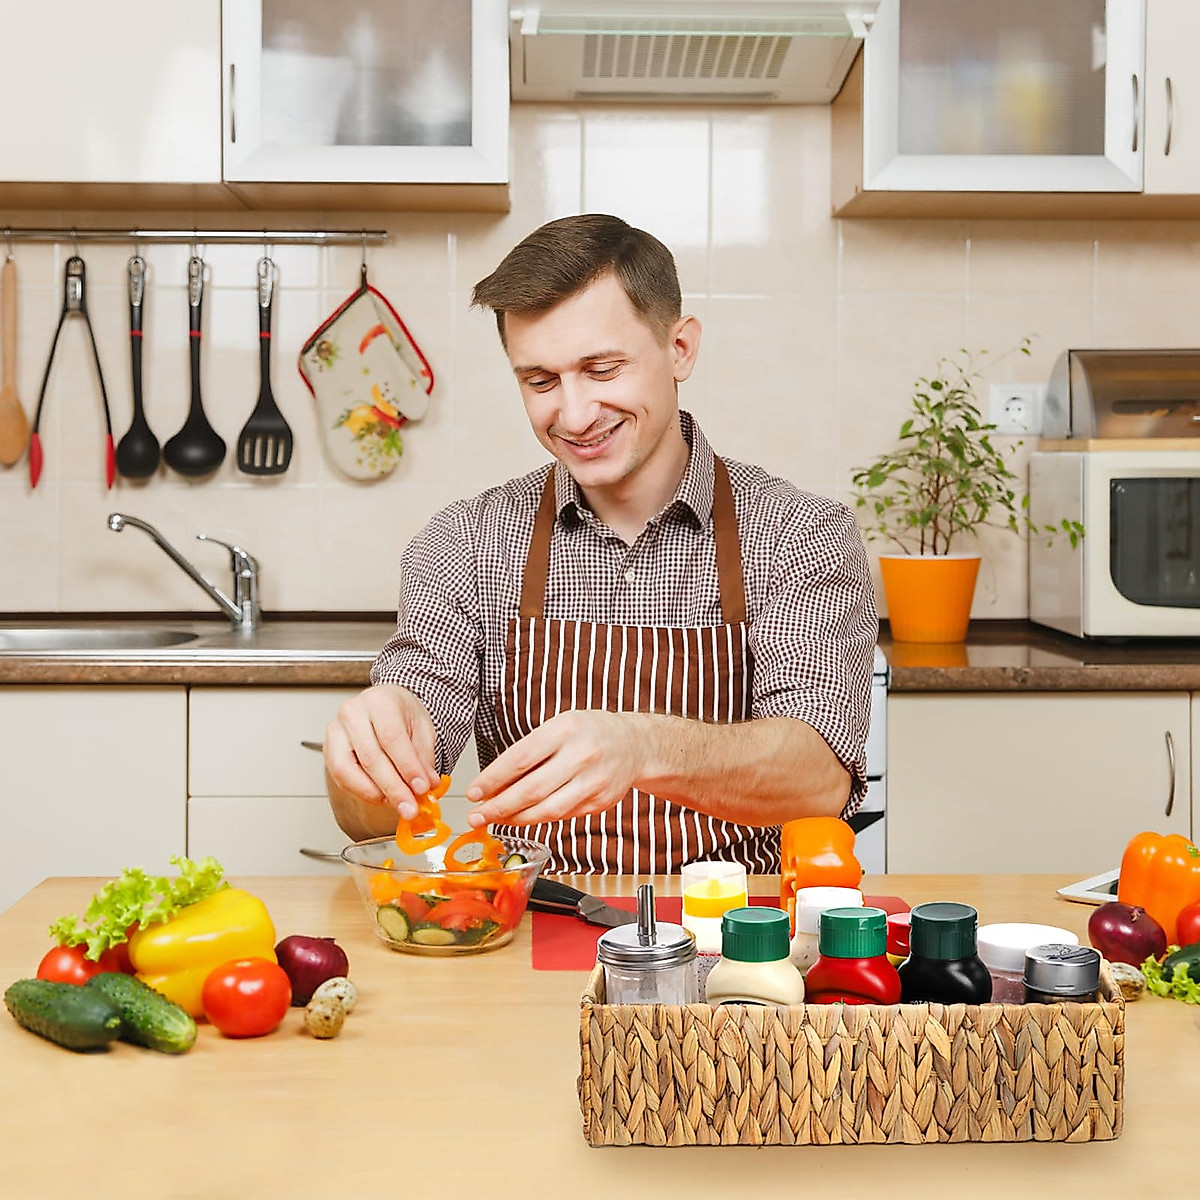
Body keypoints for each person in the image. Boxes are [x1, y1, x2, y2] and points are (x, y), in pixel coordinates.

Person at [324, 213, 877, 874]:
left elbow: (820, 777)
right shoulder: (465, 543)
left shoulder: (800, 534)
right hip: (525, 930)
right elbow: (373, 822)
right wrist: (366, 759)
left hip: (732, 932)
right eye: (541, 381)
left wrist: (644, 747)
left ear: (680, 349)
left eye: (602, 369)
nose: (576, 414)